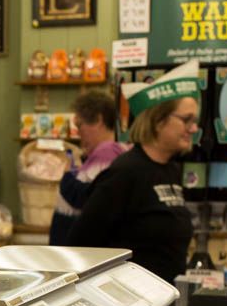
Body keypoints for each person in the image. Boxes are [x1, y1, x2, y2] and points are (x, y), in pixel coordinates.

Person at [68, 88, 198, 288]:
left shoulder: (171, 169)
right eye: (186, 119)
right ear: (158, 120)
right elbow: (79, 244)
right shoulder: (125, 172)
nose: (193, 128)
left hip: (164, 302)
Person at [48, 91, 128, 246]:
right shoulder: (116, 151)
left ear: (98, 120)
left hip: (80, 254)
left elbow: (89, 198)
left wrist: (67, 176)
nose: (78, 133)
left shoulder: (107, 153)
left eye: (80, 125)